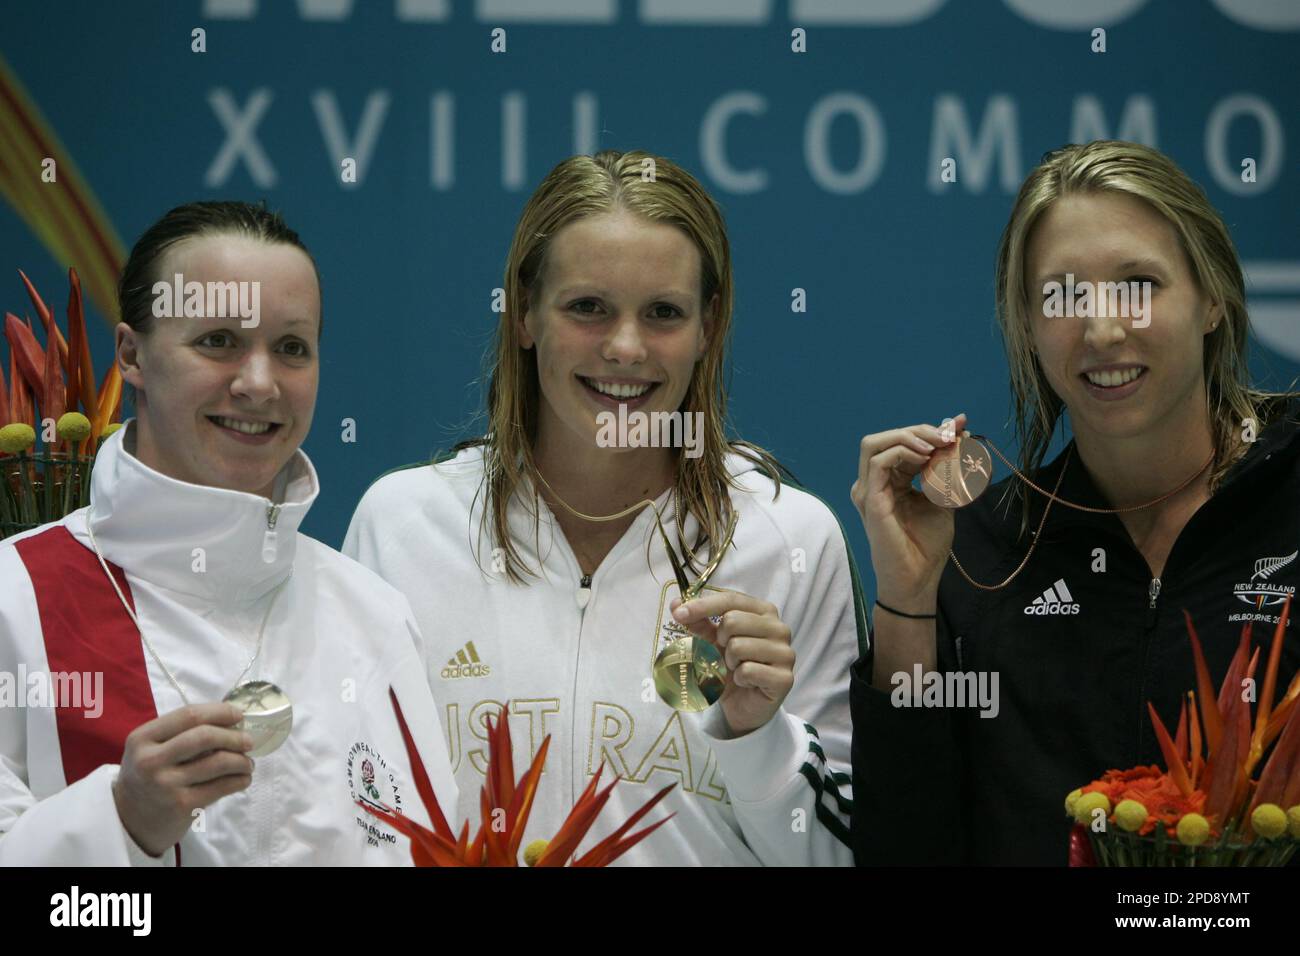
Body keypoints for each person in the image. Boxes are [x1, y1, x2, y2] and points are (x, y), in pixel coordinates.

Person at [345, 150, 859, 866]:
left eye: (663, 313)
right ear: (524, 312)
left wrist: (759, 739)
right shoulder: (401, 526)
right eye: (588, 307)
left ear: (708, 325)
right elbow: (351, 816)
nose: (625, 347)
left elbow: (840, 859)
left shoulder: (791, 539)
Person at [850, 141, 1300, 865]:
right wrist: (908, 596)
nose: (1102, 330)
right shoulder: (981, 551)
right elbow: (909, 846)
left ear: (1214, 298)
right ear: (1027, 323)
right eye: (1062, 295)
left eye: (1139, 284)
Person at [0, 201, 457, 865]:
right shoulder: (16, 600)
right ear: (131, 355)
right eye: (218, 341)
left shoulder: (374, 616)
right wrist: (118, 823)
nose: (260, 383)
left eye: (292, 348)